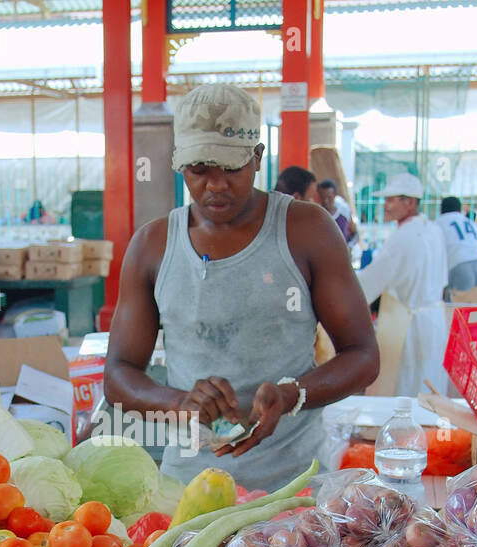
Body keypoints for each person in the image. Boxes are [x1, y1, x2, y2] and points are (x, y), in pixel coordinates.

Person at [104, 83, 381, 491]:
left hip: (295, 487)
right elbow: (117, 375)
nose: (215, 185)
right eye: (199, 170)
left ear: (257, 157)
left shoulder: (306, 231)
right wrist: (178, 403)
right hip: (187, 487)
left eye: (230, 168)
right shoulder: (152, 246)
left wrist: (292, 394)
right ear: (180, 165)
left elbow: (363, 357)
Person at [356, 172, 450, 397]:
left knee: (408, 385)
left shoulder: (402, 237)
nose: (385, 206)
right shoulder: (434, 230)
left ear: (410, 202)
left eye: (391, 200)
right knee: (430, 382)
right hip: (435, 320)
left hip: (408, 324)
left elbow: (370, 282)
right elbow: (444, 280)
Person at [436, 196, 477, 292]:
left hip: (460, 265)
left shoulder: (439, 223)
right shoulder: (469, 222)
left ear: (441, 209)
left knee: (458, 304)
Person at [317, 179, 356, 243]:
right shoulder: (317, 214)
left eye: (329, 197)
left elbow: (355, 233)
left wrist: (350, 246)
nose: (325, 201)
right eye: (322, 197)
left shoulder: (344, 211)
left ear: (335, 195)